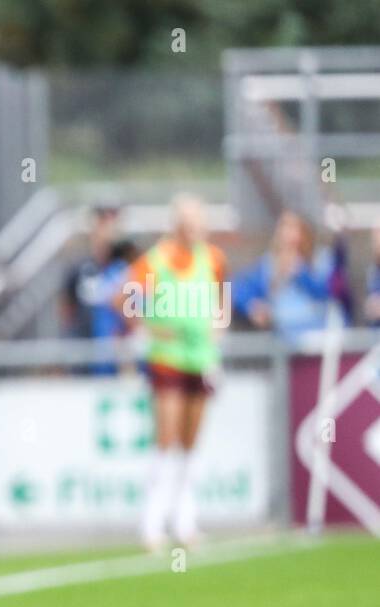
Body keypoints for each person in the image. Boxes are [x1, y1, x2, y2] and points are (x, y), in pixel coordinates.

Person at [118, 195, 226, 551]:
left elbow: (221, 301)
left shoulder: (212, 258)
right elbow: (125, 301)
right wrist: (150, 329)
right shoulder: (155, 261)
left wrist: (216, 329)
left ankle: (185, 520)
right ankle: (153, 522)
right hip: (167, 359)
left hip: (201, 359)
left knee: (191, 443)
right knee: (166, 439)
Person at [232, 210, 348, 345]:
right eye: (284, 228)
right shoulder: (269, 265)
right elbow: (236, 288)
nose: (288, 235)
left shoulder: (322, 260)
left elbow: (332, 292)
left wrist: (301, 274)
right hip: (284, 342)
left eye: (294, 228)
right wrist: (251, 306)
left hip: (320, 339)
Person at [62, 203, 137, 374]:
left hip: (117, 361)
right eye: (102, 222)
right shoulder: (79, 269)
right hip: (85, 358)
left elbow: (136, 316)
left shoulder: (128, 270)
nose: (107, 230)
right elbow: (67, 311)